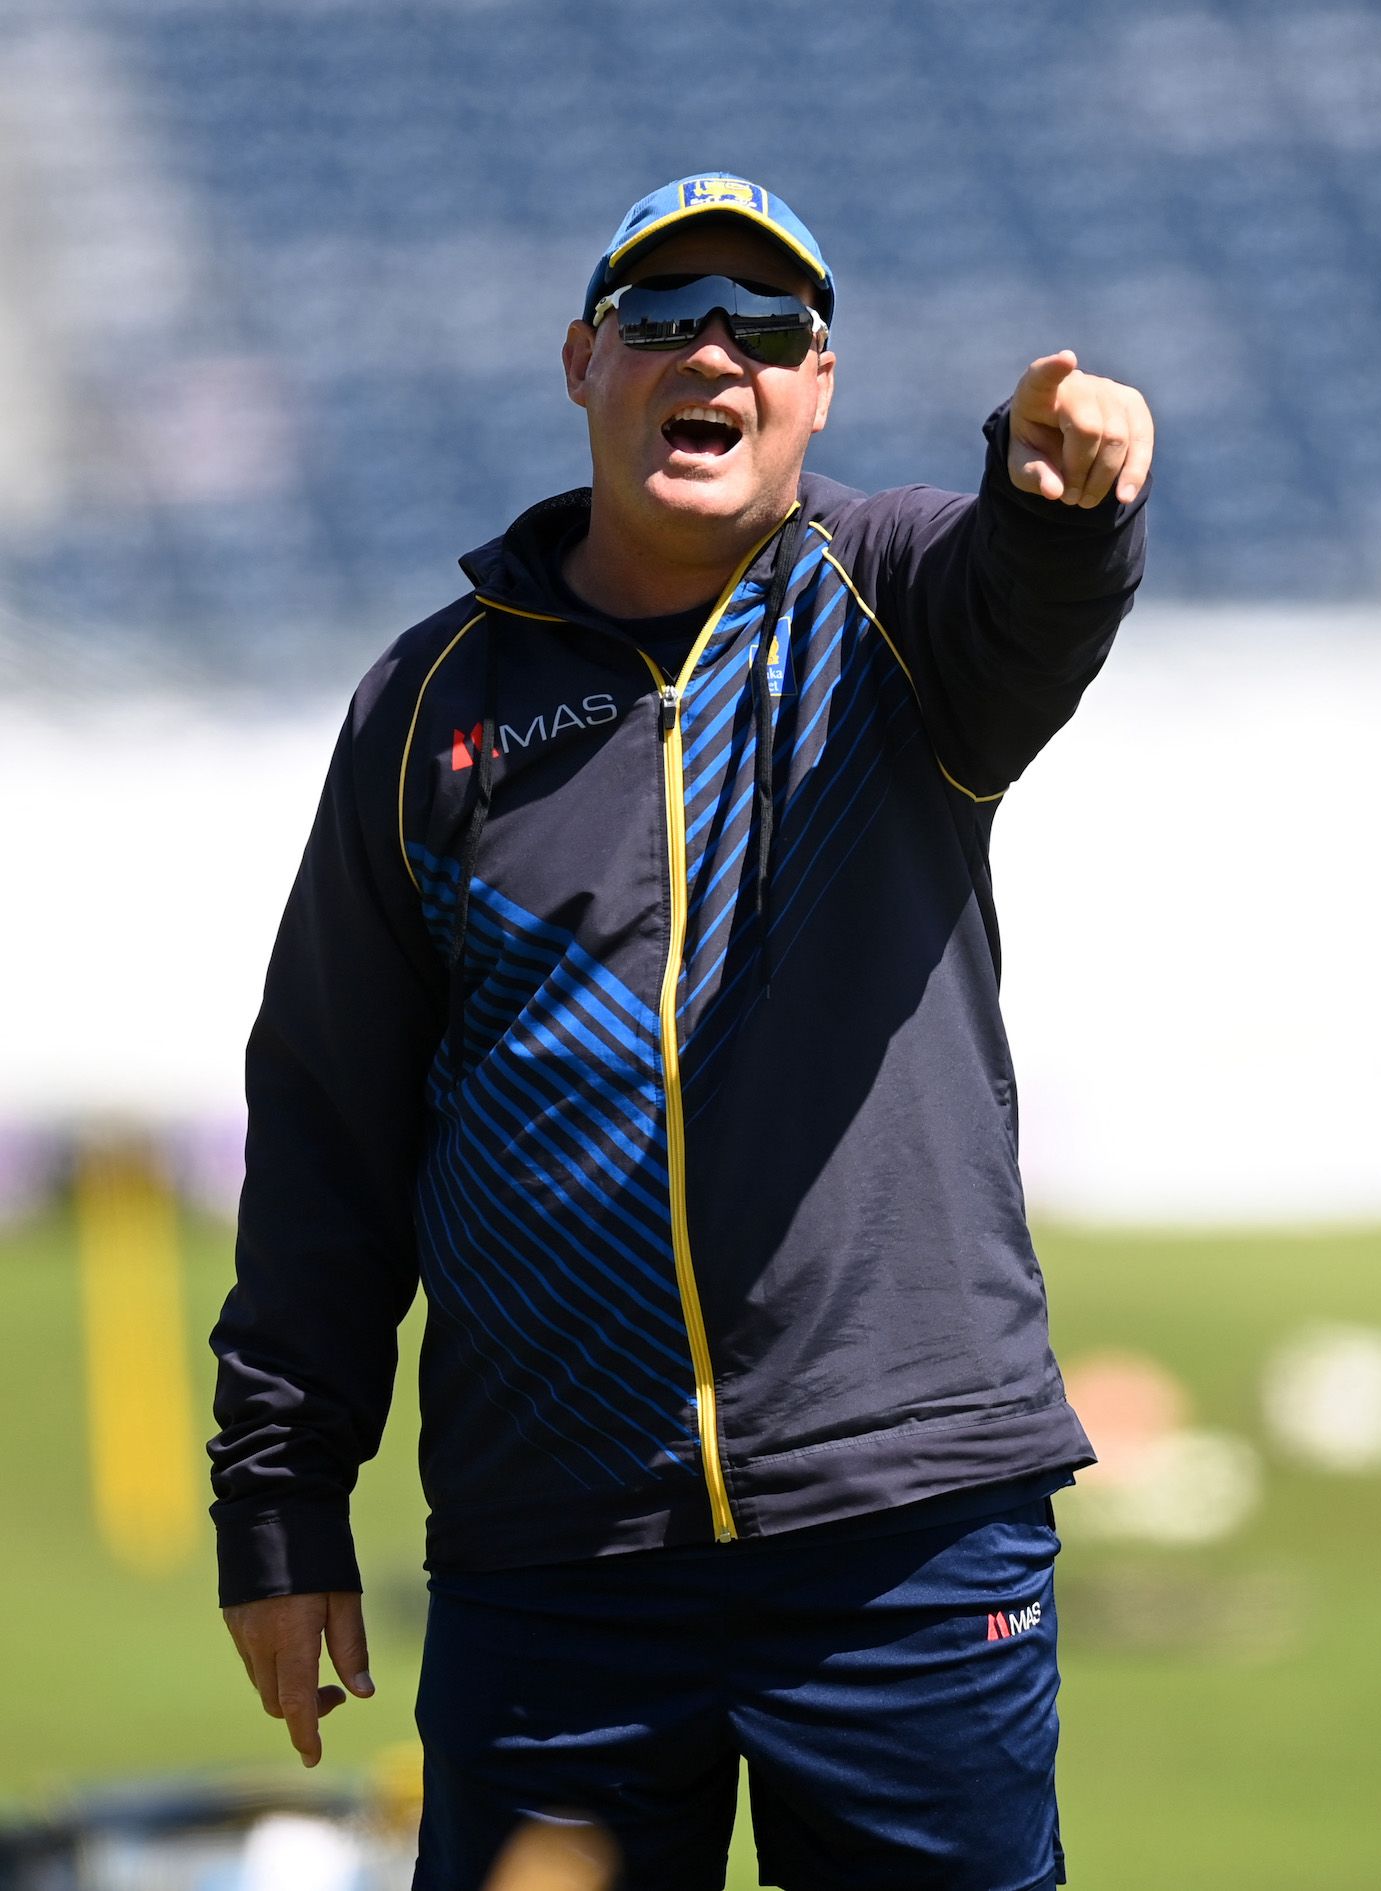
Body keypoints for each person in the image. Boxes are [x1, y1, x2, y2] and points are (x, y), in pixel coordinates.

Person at [211, 172, 1153, 1891]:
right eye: (662, 317)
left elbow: (1031, 600)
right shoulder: (430, 701)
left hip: (902, 1539)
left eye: (768, 326)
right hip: (554, 1556)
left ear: (819, 387)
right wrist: (280, 1498)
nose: (713, 352)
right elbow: (330, 1121)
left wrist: (1068, 507)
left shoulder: (899, 598)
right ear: (584, 360)